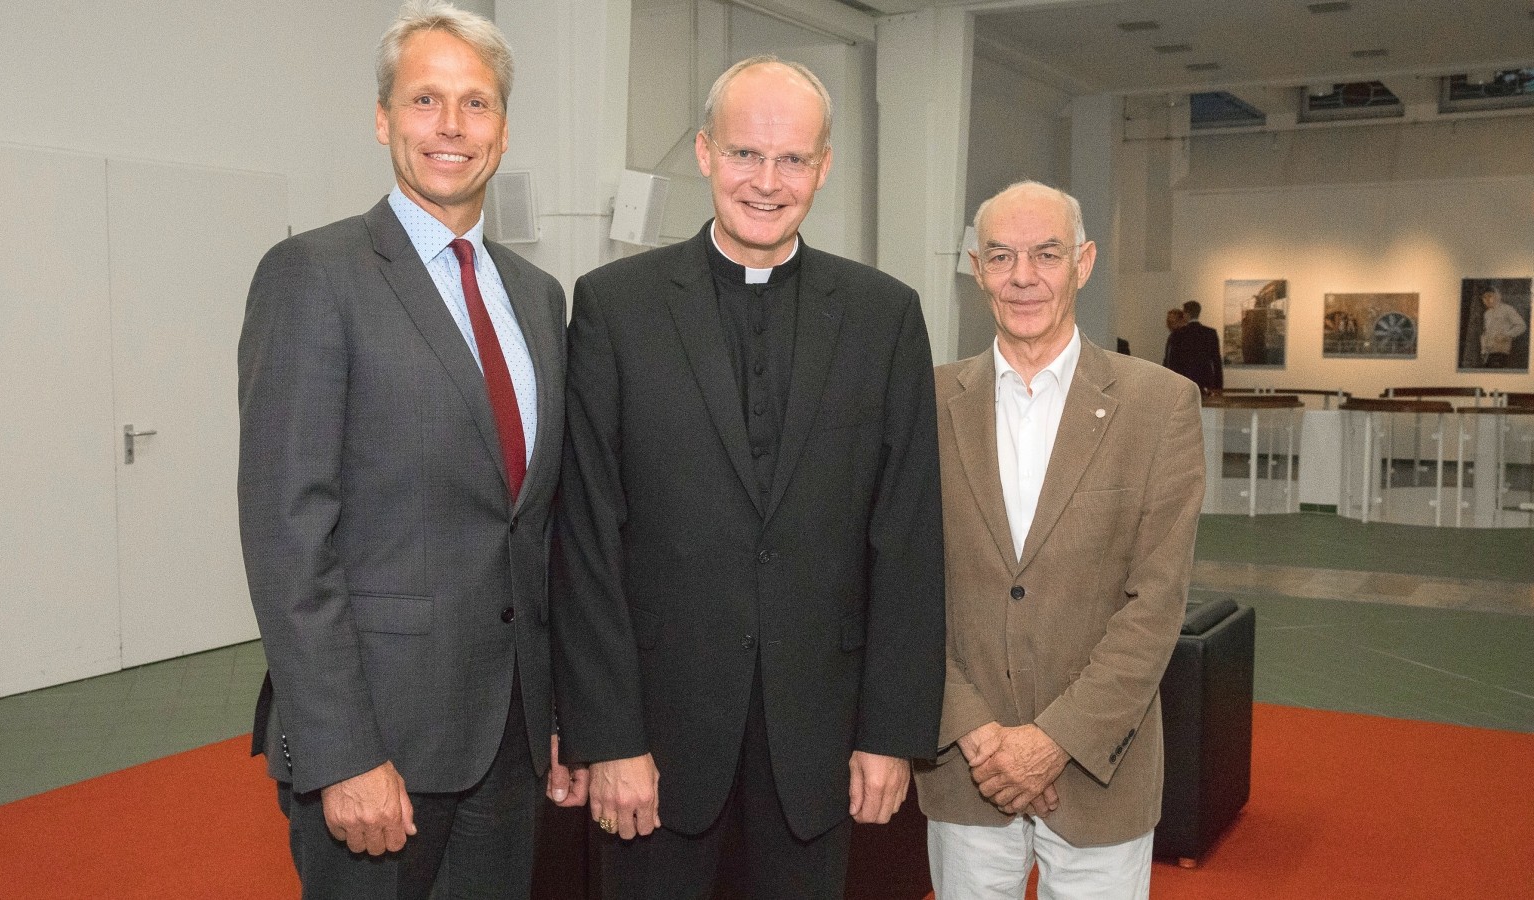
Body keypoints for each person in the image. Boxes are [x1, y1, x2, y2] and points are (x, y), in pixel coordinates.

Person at [551, 56, 945, 898]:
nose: (767, 182)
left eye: (793, 159)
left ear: (824, 166)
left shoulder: (884, 316)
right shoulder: (615, 309)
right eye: (743, 154)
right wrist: (608, 736)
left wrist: (890, 733)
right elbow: (586, 537)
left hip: (820, 744)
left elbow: (908, 540)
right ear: (703, 152)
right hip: (654, 741)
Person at [236, 2, 583, 897]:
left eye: (476, 103)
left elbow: (532, 527)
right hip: (375, 747)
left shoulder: (538, 296)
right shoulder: (316, 275)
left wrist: (553, 711)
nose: (452, 127)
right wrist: (341, 750)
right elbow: (288, 535)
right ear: (383, 117)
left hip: (507, 743)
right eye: (426, 100)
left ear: (502, 129)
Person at [916, 181, 1205, 899]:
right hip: (965, 766)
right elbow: (901, 588)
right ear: (976, 268)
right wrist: (978, 733)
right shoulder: (922, 403)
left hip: (1101, 767)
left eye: (1046, 254)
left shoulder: (1160, 405)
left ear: (1084, 262)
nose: (1023, 276)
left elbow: (1156, 602)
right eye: (1001, 256)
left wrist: (1053, 743)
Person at [1163, 300, 1223, 392]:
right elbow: (1216, 361)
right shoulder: (1210, 333)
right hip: (1205, 382)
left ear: (1186, 314)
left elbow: (1172, 361)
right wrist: (1218, 386)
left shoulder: (1177, 334)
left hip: (1183, 381)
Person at [1479, 287, 1527, 368]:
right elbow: (1487, 332)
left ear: (1496, 296)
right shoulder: (1487, 314)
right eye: (1484, 297)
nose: (1487, 300)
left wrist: (1506, 335)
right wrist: (1483, 350)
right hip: (1487, 353)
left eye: (1490, 296)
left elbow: (1521, 326)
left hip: (1501, 351)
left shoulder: (1507, 309)